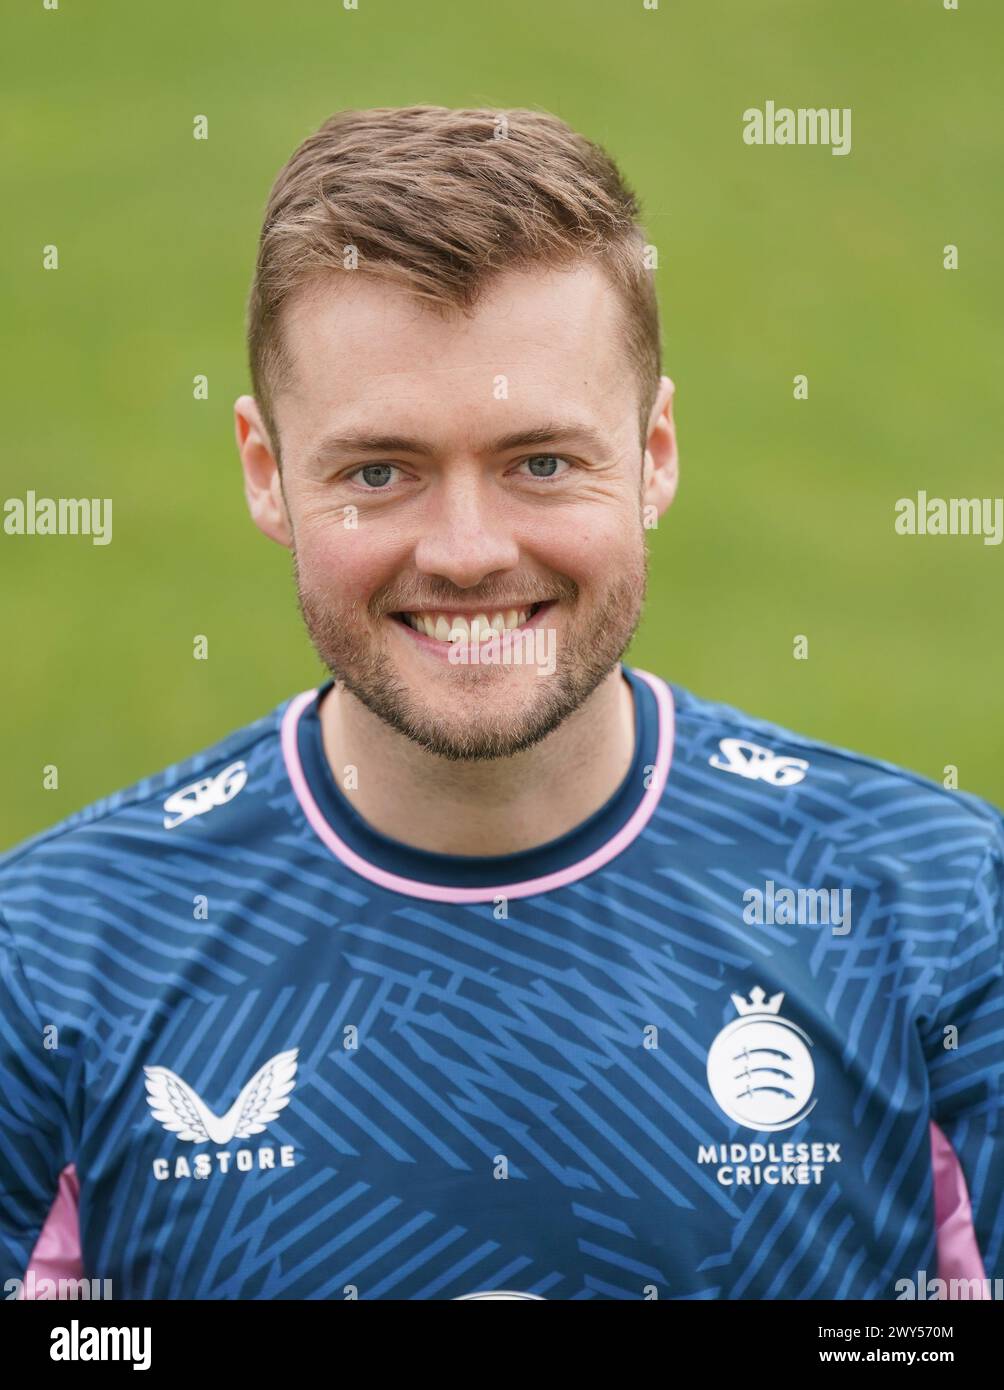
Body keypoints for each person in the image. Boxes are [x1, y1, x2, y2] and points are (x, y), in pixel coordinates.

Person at [1, 106, 1000, 1301]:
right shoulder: (48, 960)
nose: (467, 552)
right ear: (267, 474)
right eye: (380, 471)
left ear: (654, 452)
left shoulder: (939, 916)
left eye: (539, 462)